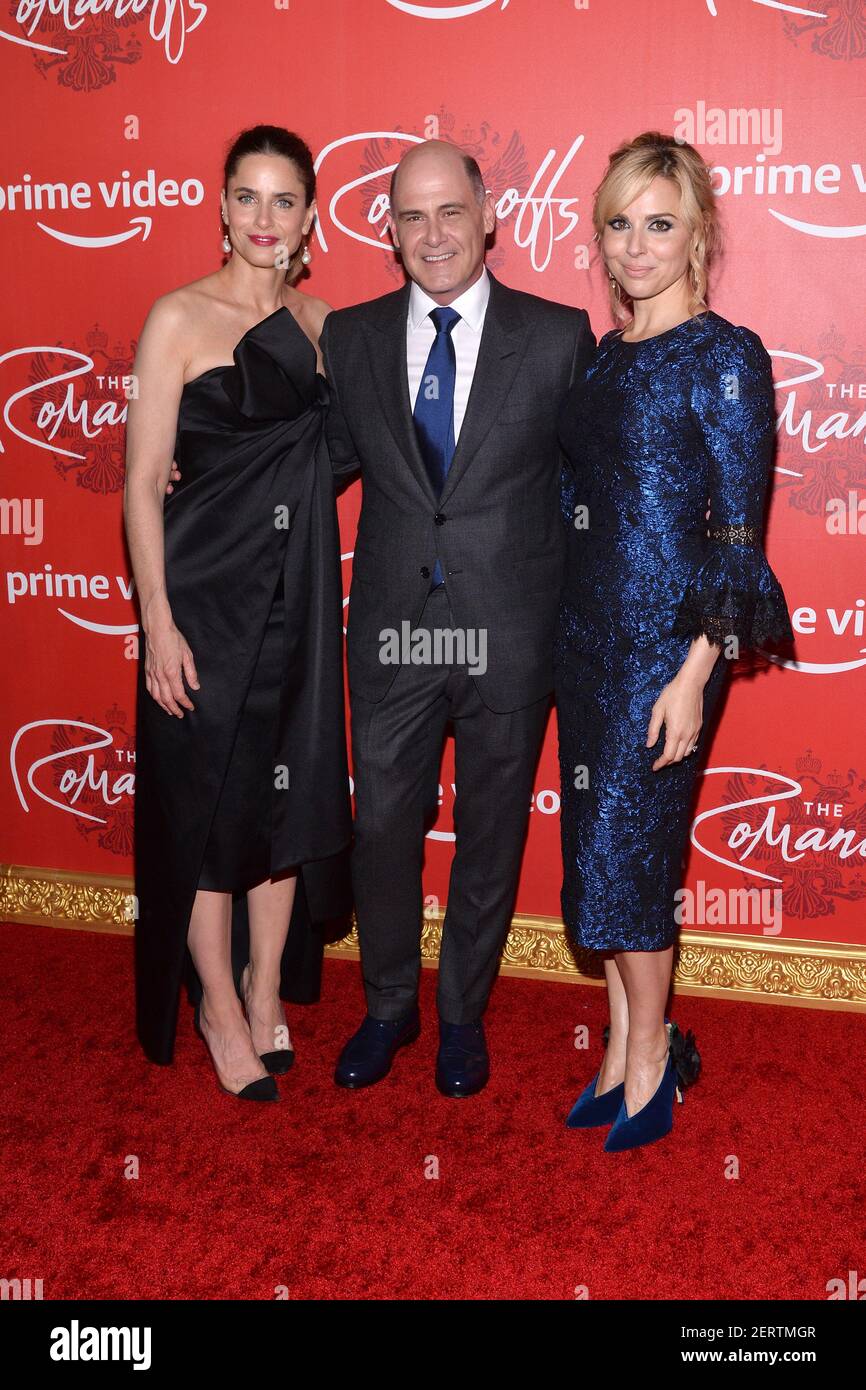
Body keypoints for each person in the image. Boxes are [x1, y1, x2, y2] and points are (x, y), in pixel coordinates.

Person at [320, 139, 595, 1097]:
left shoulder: (559, 337)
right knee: (384, 826)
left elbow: (593, 489)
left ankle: (463, 1017)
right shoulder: (349, 340)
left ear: (489, 216)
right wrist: (203, 479)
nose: (433, 235)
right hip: (396, 630)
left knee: (491, 834)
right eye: (410, 216)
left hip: (510, 633)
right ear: (388, 231)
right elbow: (320, 467)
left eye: (450, 212)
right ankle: (389, 1005)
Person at [554, 131, 793, 1150]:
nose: (635, 244)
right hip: (584, 639)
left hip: (666, 650)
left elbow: (738, 541)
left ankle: (652, 1056)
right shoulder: (604, 360)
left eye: (658, 223)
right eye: (618, 223)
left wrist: (695, 672)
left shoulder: (724, 356)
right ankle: (617, 1043)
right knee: (592, 865)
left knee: (629, 861)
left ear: (696, 233)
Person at [125, 125, 351, 1101]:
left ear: (308, 216)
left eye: (284, 200)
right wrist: (158, 624)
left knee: (284, 797)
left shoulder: (325, 325)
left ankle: (266, 985)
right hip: (202, 600)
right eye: (246, 197)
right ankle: (215, 1001)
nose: (264, 219)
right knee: (207, 808)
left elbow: (363, 447)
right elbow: (140, 486)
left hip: (296, 597)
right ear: (220, 206)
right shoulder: (176, 317)